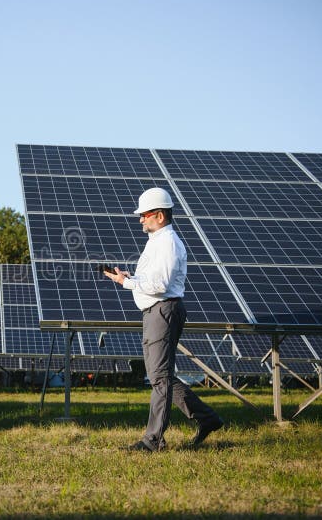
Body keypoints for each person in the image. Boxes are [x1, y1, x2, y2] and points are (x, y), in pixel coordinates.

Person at [104, 187, 223, 452]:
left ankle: (153, 440)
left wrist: (126, 283)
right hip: (157, 310)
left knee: (159, 377)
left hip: (163, 310)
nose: (140, 219)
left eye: (144, 214)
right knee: (161, 376)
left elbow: (160, 283)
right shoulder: (158, 242)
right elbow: (153, 281)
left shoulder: (168, 243)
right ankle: (208, 419)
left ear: (159, 215)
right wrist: (129, 278)